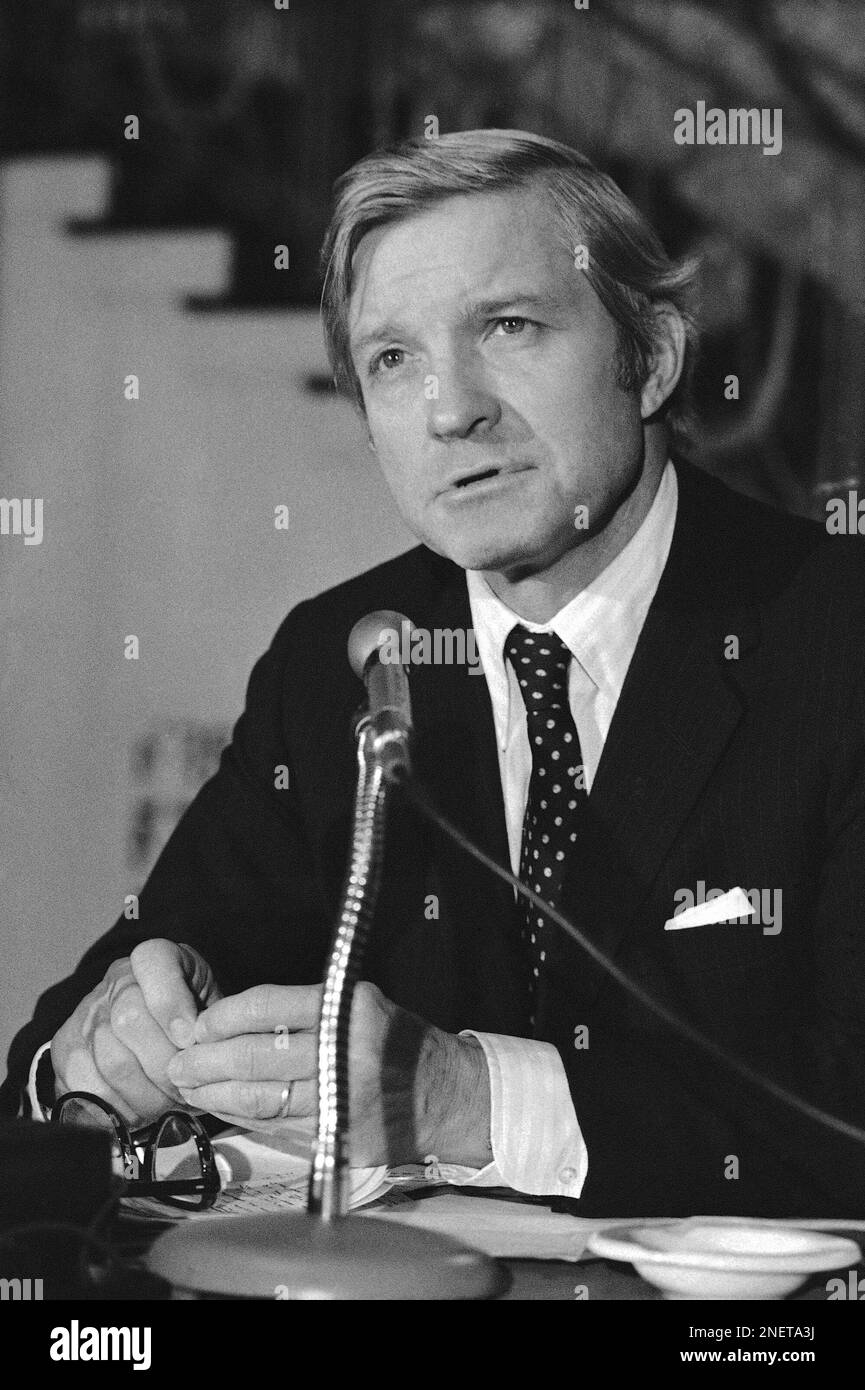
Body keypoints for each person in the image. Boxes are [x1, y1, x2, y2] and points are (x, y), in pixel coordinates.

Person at [4, 130, 865, 1217]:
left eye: (508, 327)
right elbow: (109, 1001)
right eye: (392, 360)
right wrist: (96, 1059)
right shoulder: (342, 655)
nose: (450, 409)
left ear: (649, 356)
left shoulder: (834, 633)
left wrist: (466, 1099)